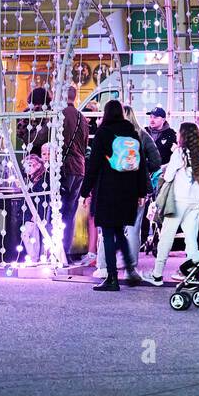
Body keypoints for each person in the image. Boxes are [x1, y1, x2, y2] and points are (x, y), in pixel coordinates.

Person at [80, 99, 149, 291]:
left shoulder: (103, 133)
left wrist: (85, 191)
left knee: (109, 234)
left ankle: (112, 278)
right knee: (120, 232)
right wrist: (141, 191)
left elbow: (93, 165)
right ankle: (130, 269)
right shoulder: (133, 133)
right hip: (128, 191)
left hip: (108, 190)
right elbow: (141, 164)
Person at [145, 122, 199, 286]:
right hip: (195, 202)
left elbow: (168, 177)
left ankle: (157, 274)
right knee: (191, 239)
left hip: (178, 201)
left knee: (166, 237)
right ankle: (193, 273)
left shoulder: (179, 153)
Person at [58, 85, 89, 265]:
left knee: (58, 211)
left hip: (65, 168)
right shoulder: (82, 118)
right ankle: (67, 251)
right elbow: (84, 145)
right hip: (79, 168)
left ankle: (58, 250)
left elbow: (46, 137)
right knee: (69, 212)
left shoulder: (60, 115)